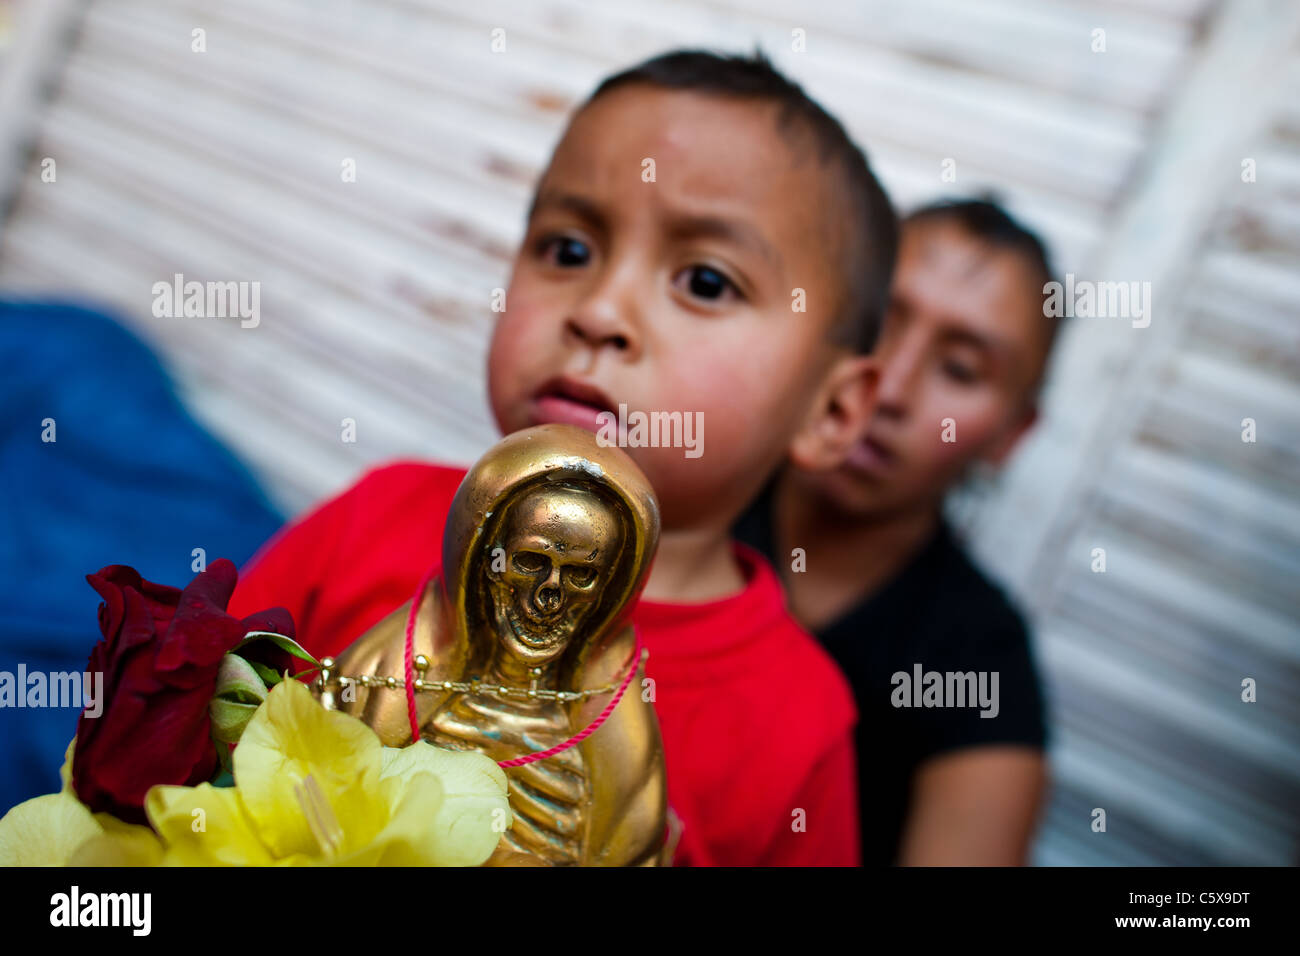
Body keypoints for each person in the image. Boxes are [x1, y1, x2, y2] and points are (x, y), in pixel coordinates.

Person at [228, 49, 898, 866]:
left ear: (831, 409)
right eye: (568, 250)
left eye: (707, 281)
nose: (599, 311)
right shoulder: (376, 514)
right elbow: (188, 721)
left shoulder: (800, 720)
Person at [735, 198, 1059, 865]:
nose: (890, 388)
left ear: (1011, 435)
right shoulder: (689, 491)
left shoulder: (980, 660)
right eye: (880, 322)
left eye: (962, 369)